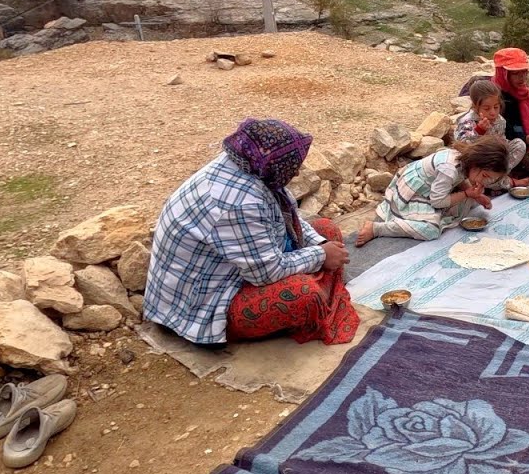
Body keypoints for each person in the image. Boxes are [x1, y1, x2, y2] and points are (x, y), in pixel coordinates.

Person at [144, 119, 358, 347]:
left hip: (237, 267)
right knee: (302, 294)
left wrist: (321, 244)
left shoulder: (253, 167)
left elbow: (289, 217)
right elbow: (266, 273)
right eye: (293, 166)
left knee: (327, 230)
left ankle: (321, 293)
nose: (296, 173)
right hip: (204, 306)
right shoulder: (238, 203)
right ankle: (318, 299)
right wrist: (321, 256)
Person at [357, 136, 510, 245]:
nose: (484, 181)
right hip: (414, 192)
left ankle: (435, 215)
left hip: (432, 190)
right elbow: (437, 201)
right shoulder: (448, 169)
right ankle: (377, 229)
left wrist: (476, 196)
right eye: (484, 176)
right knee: (430, 229)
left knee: (467, 202)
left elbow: (460, 179)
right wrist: (466, 194)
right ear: (476, 162)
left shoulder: (463, 162)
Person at [454, 80, 529, 191]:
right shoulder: (467, 121)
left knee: (519, 145)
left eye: (496, 107)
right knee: (477, 174)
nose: (492, 112)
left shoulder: (499, 120)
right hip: (476, 163)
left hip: (493, 161)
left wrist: (503, 146)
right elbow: (463, 147)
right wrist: (479, 131)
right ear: (475, 106)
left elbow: (501, 142)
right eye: (486, 108)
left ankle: (497, 177)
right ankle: (506, 182)